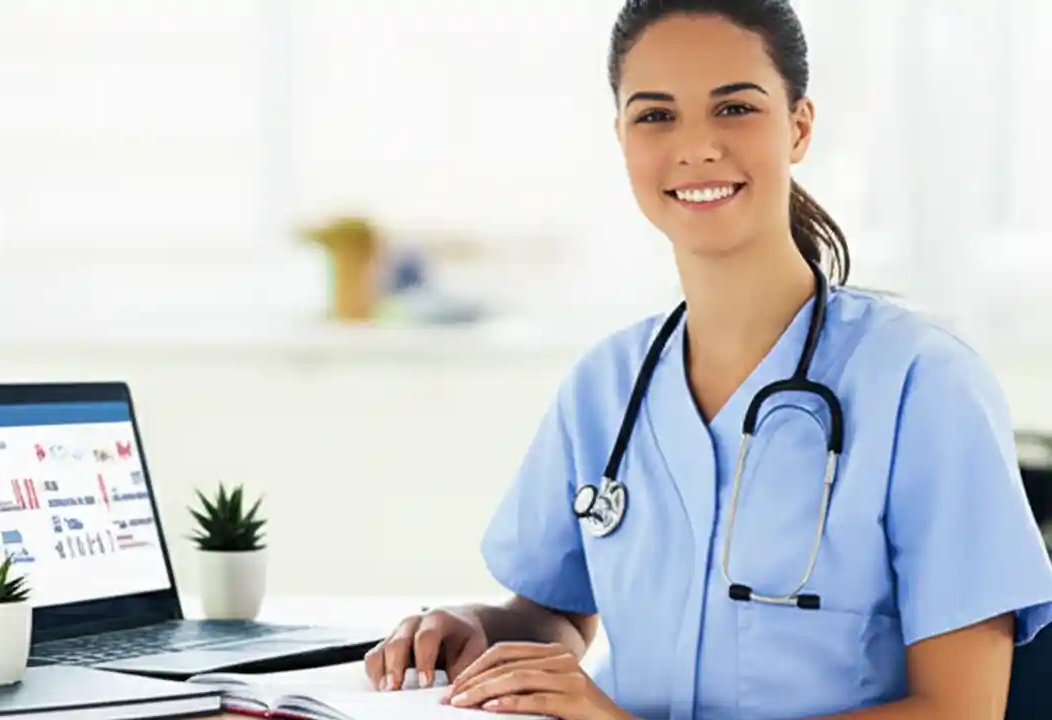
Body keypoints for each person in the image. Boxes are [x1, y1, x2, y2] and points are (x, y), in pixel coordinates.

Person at [362, 1, 1052, 718]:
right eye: (656, 116)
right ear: (622, 138)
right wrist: (482, 632)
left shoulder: (923, 384)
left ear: (799, 127)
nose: (696, 147)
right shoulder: (605, 387)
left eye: (735, 108)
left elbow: (960, 709)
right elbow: (559, 615)